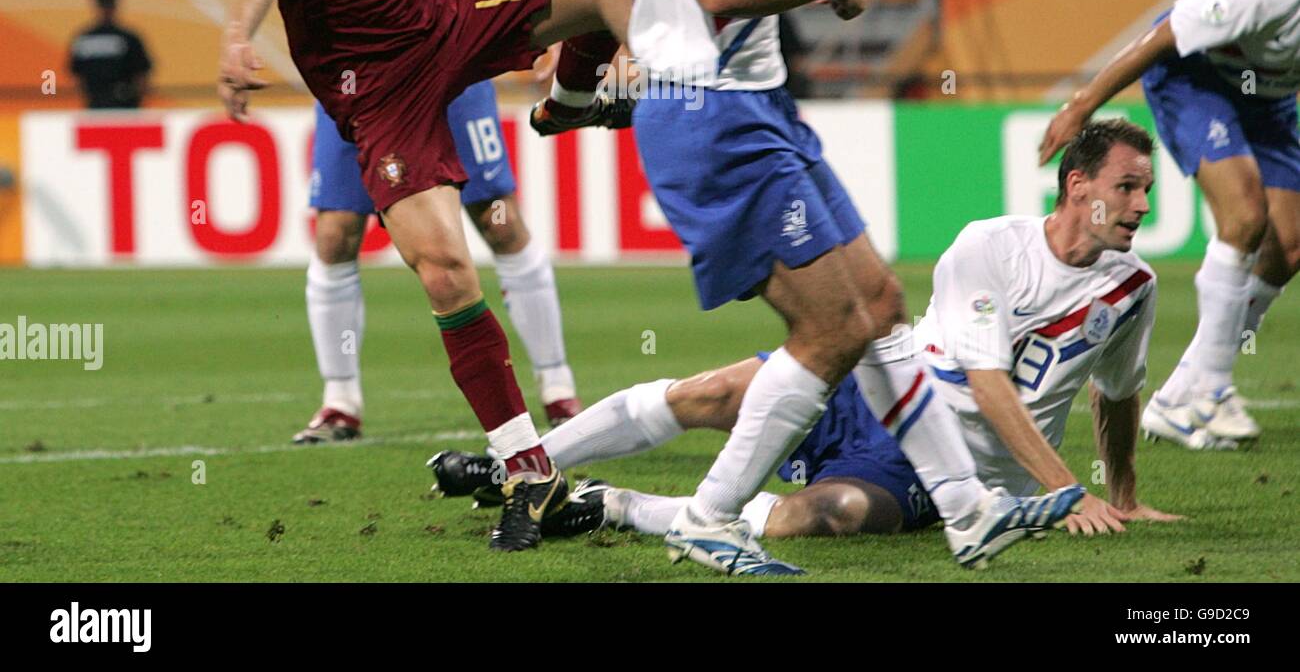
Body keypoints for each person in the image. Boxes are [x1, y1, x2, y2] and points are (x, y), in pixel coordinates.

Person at [561, 0, 1081, 576]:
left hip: (750, 109)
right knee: (833, 330)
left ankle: (968, 510)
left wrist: (630, 46)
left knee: (879, 304)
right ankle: (711, 514)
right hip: (716, 116)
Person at [218, 0, 631, 553]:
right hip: (377, 87)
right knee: (445, 267)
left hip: (448, 8)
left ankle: (568, 104)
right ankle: (528, 472)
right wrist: (235, 38)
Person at [433, 120, 1177, 543]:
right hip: (881, 392)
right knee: (712, 392)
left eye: (1146, 189)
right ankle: (516, 469)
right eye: (1128, 186)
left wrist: (1125, 490)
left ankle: (612, 503)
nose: (1142, 203)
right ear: (1079, 185)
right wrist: (1071, 492)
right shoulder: (989, 245)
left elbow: (1117, 393)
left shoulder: (1133, 288)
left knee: (825, 515)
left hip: (941, 469)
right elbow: (986, 383)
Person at [292, 0, 583, 447]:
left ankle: (557, 387)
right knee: (333, 231)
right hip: (365, 70)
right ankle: (340, 401)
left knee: (500, 221)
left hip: (449, 39)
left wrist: (531, 22)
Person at [1040, 0, 1300, 450]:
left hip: (1268, 98)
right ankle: (1209, 389)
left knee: (1289, 244)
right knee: (1245, 217)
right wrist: (1082, 106)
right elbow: (1162, 37)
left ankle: (1182, 391)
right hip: (1193, 76)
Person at [69, 0, 153, 109]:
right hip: (98, 104)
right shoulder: (85, 39)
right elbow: (76, 74)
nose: (107, 9)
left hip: (123, 104)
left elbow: (142, 74)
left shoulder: (128, 38)